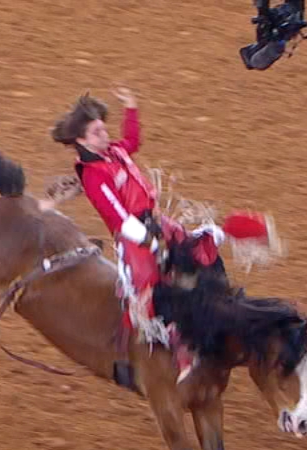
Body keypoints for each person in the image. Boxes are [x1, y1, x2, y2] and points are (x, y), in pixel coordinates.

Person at [49, 87, 276, 382]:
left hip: (157, 222)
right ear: (81, 141)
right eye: (96, 133)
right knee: (153, 295)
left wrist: (131, 109)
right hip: (135, 238)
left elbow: (132, 141)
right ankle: (180, 352)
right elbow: (118, 217)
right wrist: (151, 241)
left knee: (200, 248)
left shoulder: (114, 152)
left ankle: (240, 238)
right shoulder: (93, 176)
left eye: (103, 129)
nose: (104, 136)